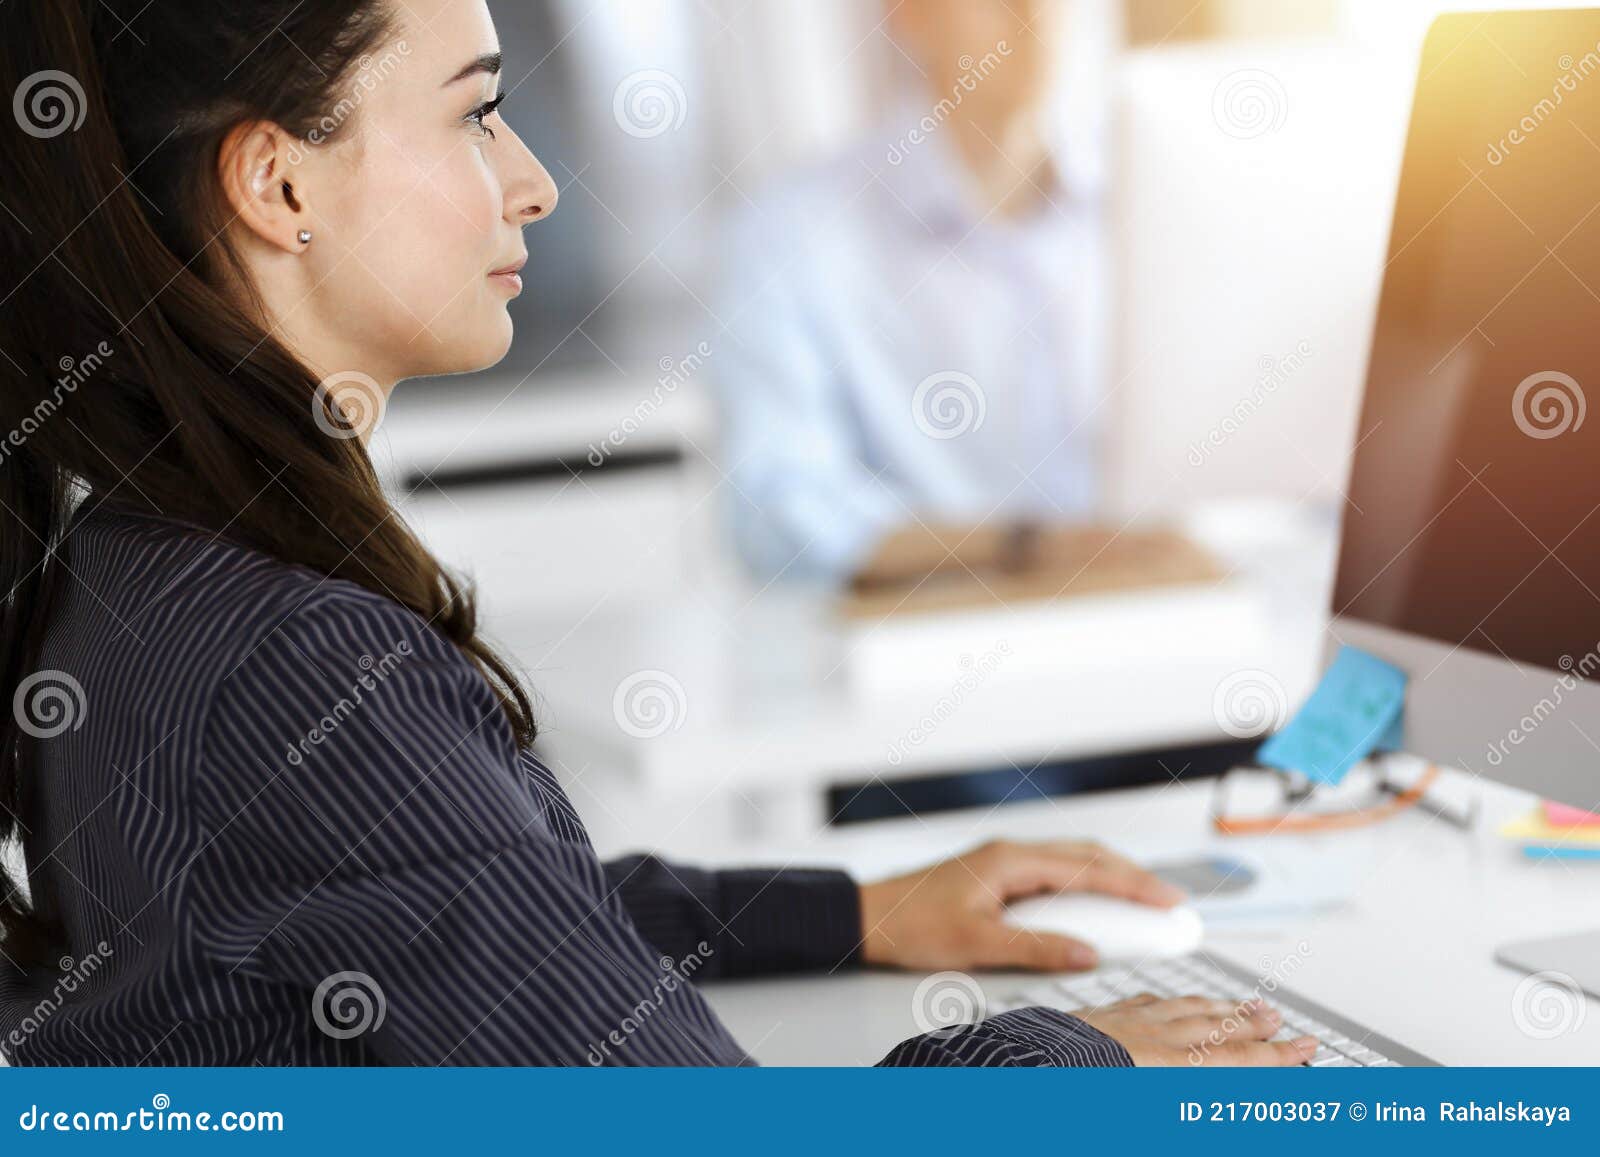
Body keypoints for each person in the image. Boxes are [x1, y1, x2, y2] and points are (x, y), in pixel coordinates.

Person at [0, 0, 1314, 1068]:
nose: (531, 184)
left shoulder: (141, 551)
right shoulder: (301, 668)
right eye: (476, 115)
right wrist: (1085, 1060)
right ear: (279, 182)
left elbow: (481, 901)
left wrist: (862, 912)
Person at [716, 0, 1108, 586]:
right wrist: (1027, 549)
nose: (1036, 17)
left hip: (1162, 619)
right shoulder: (791, 235)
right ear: (909, 13)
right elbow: (776, 513)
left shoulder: (1144, 202)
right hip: (917, 644)